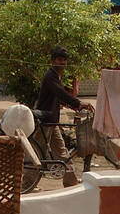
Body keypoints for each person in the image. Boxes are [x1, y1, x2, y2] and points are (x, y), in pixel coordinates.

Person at [35, 46, 94, 187]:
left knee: (62, 152)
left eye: (64, 60)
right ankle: (27, 183)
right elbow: (61, 93)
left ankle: (70, 180)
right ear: (52, 61)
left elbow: (59, 98)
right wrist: (79, 103)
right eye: (59, 60)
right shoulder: (50, 76)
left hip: (52, 120)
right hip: (45, 120)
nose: (62, 63)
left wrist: (75, 107)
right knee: (37, 152)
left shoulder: (56, 76)